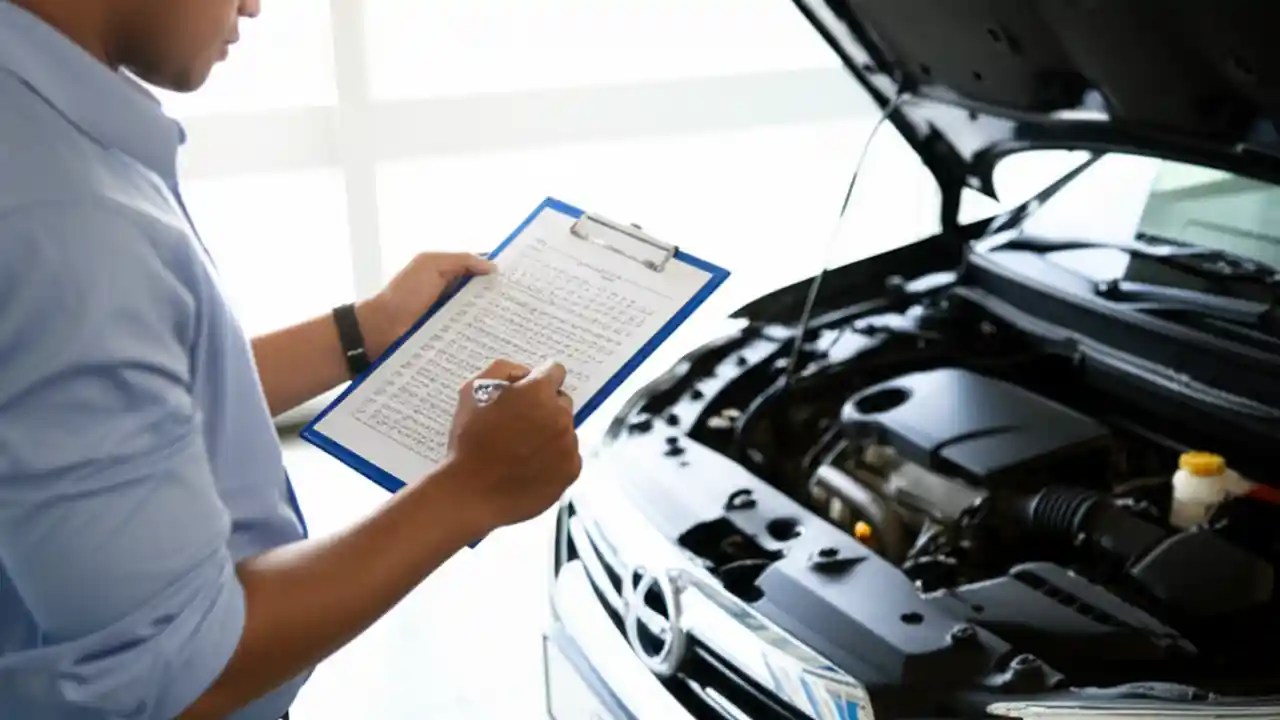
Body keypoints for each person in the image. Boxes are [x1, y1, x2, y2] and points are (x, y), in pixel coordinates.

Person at [0, 0, 583, 718]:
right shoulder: (63, 218)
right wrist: (473, 488)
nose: (254, 3)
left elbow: (102, 412)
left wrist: (365, 330)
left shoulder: (35, 126)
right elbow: (177, 675)